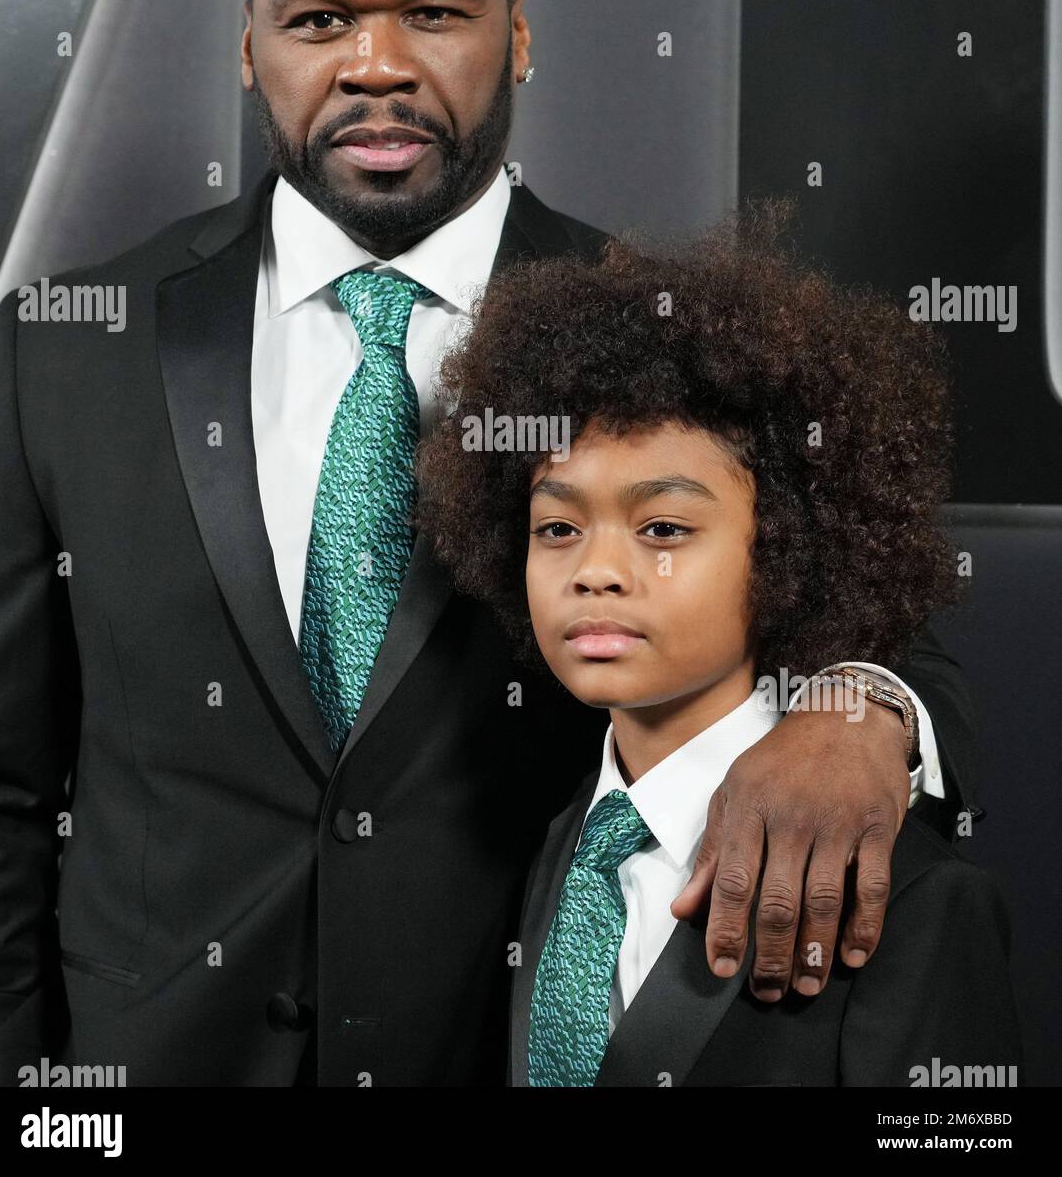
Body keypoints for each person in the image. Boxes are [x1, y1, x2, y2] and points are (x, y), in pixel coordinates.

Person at [0, 0, 980, 1087]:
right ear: (248, 47)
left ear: (516, 35)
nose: (375, 64)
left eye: (434, 15)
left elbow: (890, 631)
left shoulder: (665, 332)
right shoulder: (69, 348)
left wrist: (857, 713)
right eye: (317, 18)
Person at [415, 214, 1023, 1086]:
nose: (596, 570)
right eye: (556, 526)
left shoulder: (916, 901)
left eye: (662, 527)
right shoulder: (560, 846)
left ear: (786, 547)